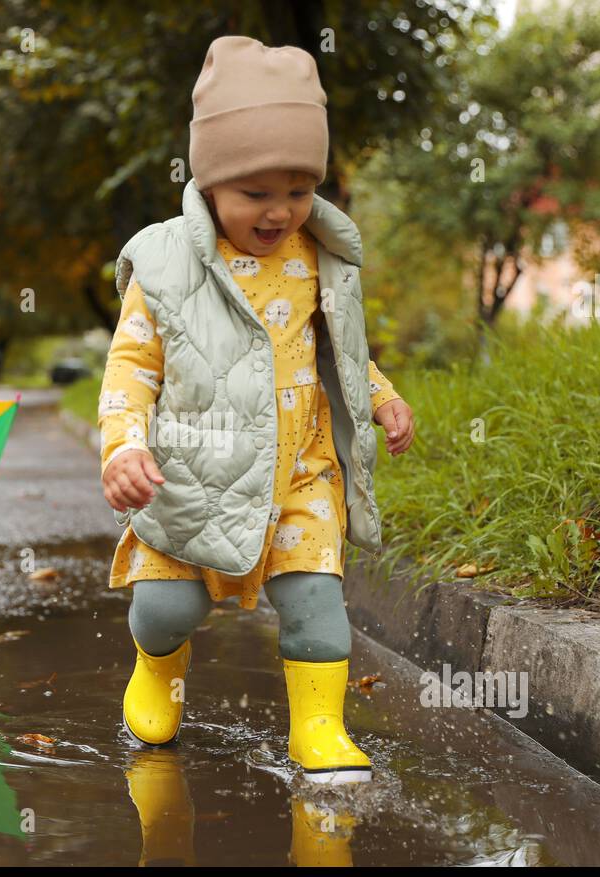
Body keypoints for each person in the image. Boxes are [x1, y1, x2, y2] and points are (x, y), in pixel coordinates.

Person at [98, 36, 416, 785]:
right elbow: (132, 366)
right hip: (189, 470)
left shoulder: (316, 256)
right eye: (256, 193)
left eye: (299, 189)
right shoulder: (166, 263)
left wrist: (382, 396)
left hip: (298, 473)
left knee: (315, 602)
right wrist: (121, 446)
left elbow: (339, 346)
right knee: (168, 609)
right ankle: (157, 668)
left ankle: (319, 727)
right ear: (209, 182)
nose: (281, 211)